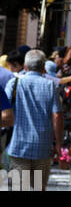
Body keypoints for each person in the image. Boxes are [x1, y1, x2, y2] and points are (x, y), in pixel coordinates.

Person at [5, 48, 64, 190]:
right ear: (43, 67)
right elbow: (57, 115)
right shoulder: (51, 86)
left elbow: (4, 110)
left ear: (25, 66)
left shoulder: (14, 83)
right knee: (38, 187)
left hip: (19, 146)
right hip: (42, 147)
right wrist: (59, 143)